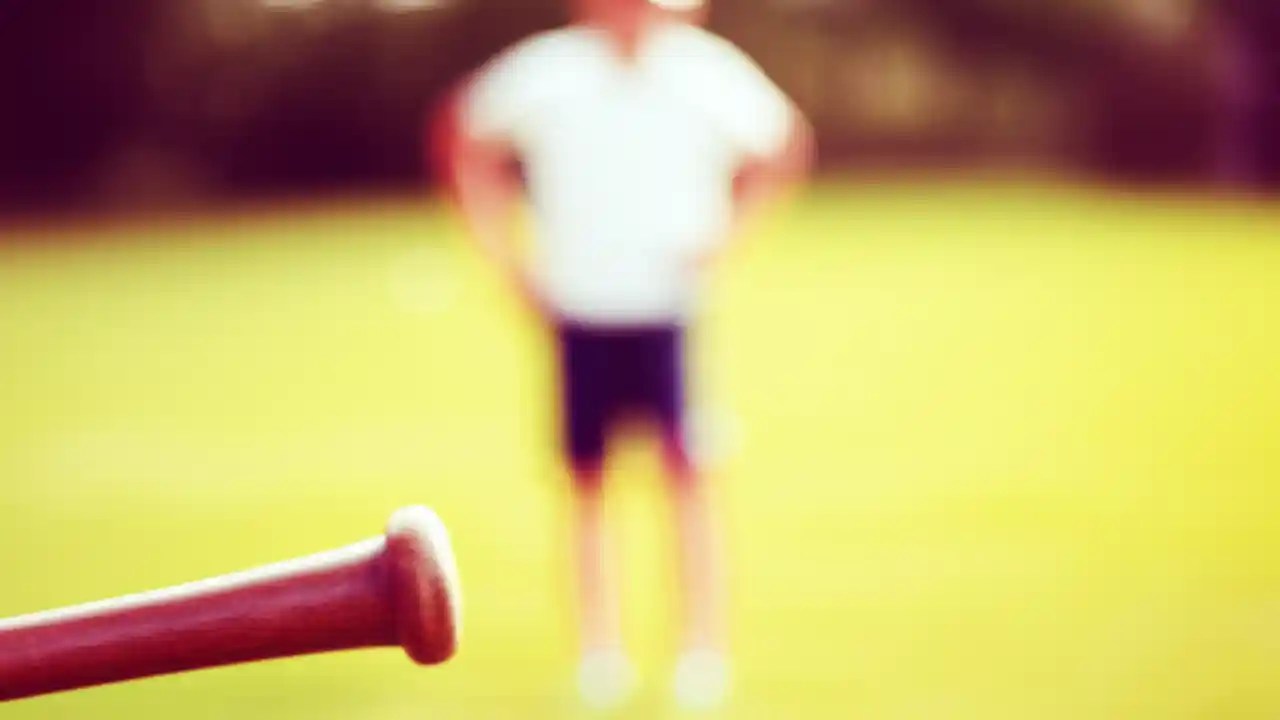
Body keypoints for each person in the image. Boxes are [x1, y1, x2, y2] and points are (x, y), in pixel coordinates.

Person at [439, 0, 812, 709]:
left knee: (688, 480)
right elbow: (462, 135)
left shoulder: (704, 72)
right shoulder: (547, 71)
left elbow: (783, 144)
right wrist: (502, 257)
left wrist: (731, 239)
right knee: (587, 485)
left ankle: (702, 650)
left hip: (669, 311)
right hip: (579, 308)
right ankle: (599, 652)